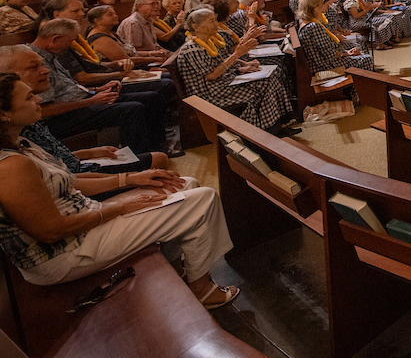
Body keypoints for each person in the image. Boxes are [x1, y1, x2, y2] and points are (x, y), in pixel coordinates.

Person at [0, 72, 239, 308]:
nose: (39, 100)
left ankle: (174, 269)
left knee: (183, 184)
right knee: (203, 200)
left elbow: (70, 181)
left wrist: (132, 179)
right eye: (30, 97)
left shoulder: (23, 144)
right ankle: (202, 291)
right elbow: (52, 232)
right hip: (64, 254)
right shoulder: (11, 166)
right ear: (4, 114)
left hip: (84, 224)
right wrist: (120, 208)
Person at [0, 45, 169, 173]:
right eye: (33, 67)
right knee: (156, 157)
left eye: (42, 65)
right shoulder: (19, 129)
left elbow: (53, 158)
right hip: (76, 178)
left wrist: (88, 153)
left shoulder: (29, 122)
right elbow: (62, 179)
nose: (45, 71)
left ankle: (151, 148)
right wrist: (123, 180)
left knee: (157, 156)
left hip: (74, 167)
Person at [30, 19, 157, 153]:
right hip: (61, 117)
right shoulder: (35, 62)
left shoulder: (50, 54)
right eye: (69, 41)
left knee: (150, 98)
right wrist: (90, 101)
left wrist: (97, 90)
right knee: (131, 109)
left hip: (83, 101)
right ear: (55, 39)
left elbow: (69, 87)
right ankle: (139, 158)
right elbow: (43, 110)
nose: (69, 45)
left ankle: (155, 147)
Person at [175, 8, 296, 136]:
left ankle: (279, 125)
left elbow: (221, 64)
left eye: (215, 20)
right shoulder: (192, 48)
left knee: (269, 79)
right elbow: (212, 75)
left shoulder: (209, 41)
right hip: (211, 92)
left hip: (222, 83)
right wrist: (237, 54)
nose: (216, 24)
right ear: (196, 27)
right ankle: (261, 133)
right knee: (261, 87)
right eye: (211, 21)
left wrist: (242, 68)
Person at [296, 0, 373, 86]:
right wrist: (347, 53)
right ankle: (360, 92)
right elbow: (330, 55)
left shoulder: (305, 23)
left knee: (360, 53)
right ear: (315, 8)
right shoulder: (313, 27)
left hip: (321, 62)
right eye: (322, 6)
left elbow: (327, 50)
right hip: (324, 66)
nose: (324, 9)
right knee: (367, 59)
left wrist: (346, 52)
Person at [87, 5, 167, 66]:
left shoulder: (110, 33)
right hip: (119, 76)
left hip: (133, 68)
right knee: (168, 79)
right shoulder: (100, 38)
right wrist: (154, 58)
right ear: (97, 20)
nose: (115, 16)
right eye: (110, 14)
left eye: (115, 13)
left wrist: (153, 53)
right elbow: (126, 59)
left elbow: (131, 52)